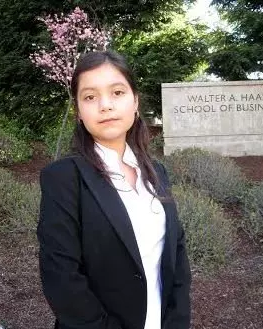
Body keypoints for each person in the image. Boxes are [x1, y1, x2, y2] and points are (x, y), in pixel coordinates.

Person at [37, 50, 191, 329]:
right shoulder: (63, 178)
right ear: (79, 112)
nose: (105, 105)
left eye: (117, 92)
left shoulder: (156, 172)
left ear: (135, 102)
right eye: (90, 97)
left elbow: (176, 251)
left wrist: (177, 319)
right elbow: (61, 275)